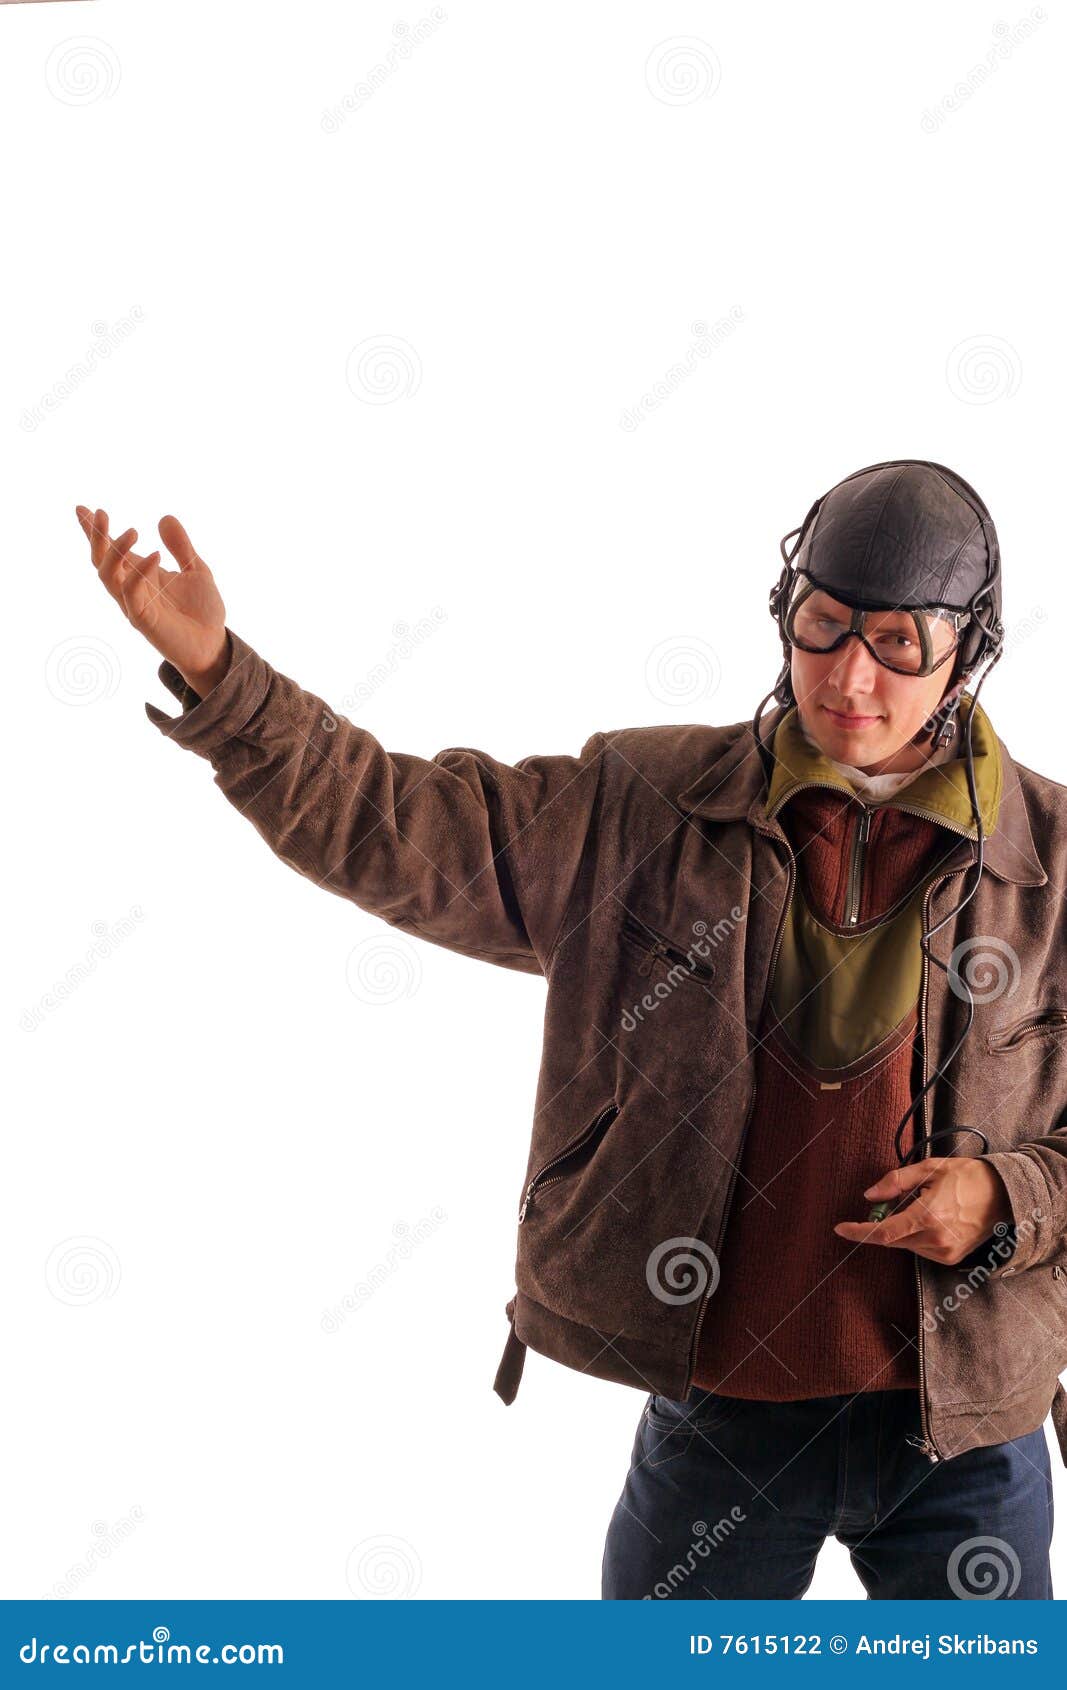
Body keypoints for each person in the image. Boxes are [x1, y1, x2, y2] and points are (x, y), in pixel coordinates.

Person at [75, 460, 1067, 1601]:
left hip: (964, 1439)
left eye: (898, 642)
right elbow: (397, 827)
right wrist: (219, 672)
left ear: (967, 650)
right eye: (822, 625)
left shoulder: (1047, 860)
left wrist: (1006, 1200)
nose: (847, 674)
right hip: (718, 1419)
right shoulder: (642, 807)